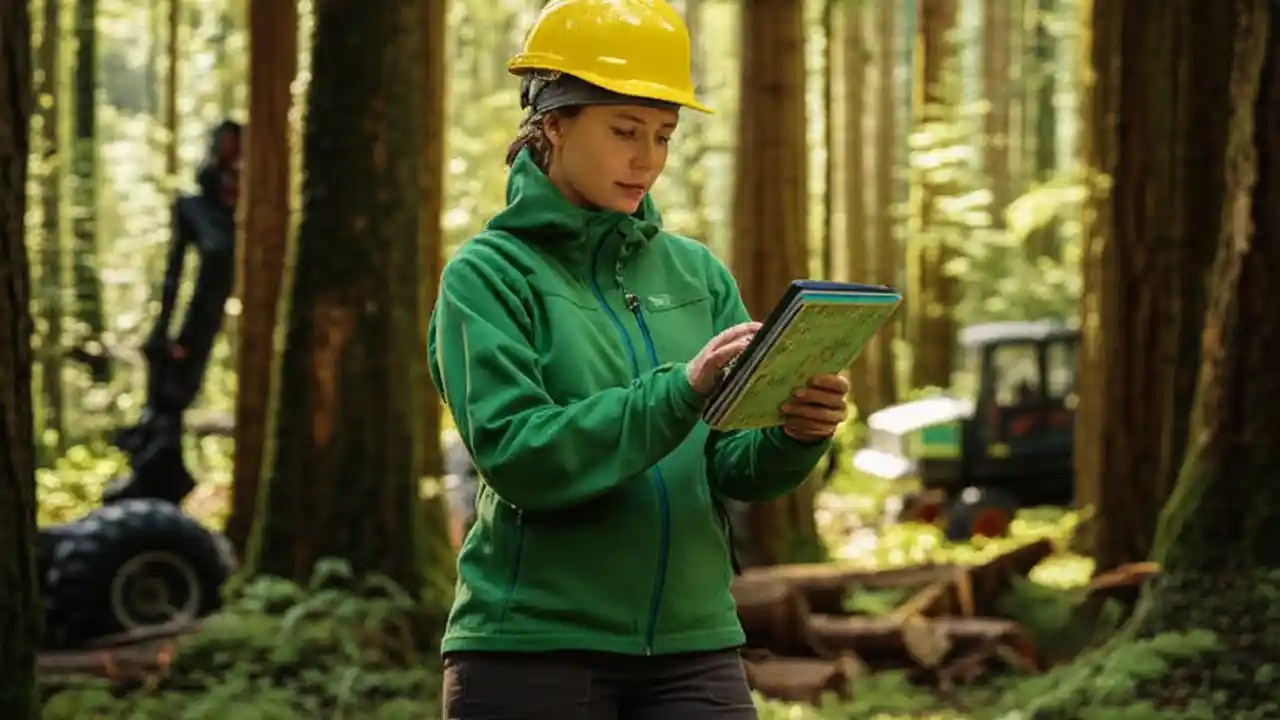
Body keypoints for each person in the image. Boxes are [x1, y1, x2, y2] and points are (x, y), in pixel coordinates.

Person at [426, 2, 851, 717]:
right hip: (532, 652)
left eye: (663, 135)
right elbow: (520, 456)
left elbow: (730, 466)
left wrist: (796, 433)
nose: (647, 159)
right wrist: (680, 391)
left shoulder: (697, 275)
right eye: (623, 131)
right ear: (552, 123)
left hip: (696, 648)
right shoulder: (488, 277)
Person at [106, 120, 242, 506]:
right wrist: (164, 334)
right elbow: (174, 277)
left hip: (214, 327)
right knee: (165, 405)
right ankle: (150, 487)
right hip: (187, 330)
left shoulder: (246, 212)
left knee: (170, 406)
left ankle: (158, 484)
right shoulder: (194, 209)